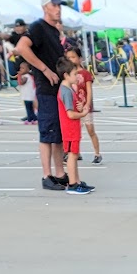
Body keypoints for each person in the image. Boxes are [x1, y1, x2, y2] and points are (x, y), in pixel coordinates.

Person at [15, 0, 70, 191]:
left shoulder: (54, 30)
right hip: (46, 90)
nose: (58, 9)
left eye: (59, 6)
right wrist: (44, 69)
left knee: (58, 134)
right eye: (54, 6)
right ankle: (46, 175)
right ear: (45, 7)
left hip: (58, 88)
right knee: (47, 133)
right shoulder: (39, 27)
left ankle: (60, 173)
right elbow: (21, 47)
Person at [56, 51, 93, 194]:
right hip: (70, 128)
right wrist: (82, 113)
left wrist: (78, 105)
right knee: (72, 155)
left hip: (73, 128)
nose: (76, 76)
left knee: (75, 154)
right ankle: (72, 184)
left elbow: (71, 107)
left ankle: (76, 181)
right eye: (73, 74)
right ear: (66, 75)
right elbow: (70, 114)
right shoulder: (65, 90)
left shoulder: (68, 89)